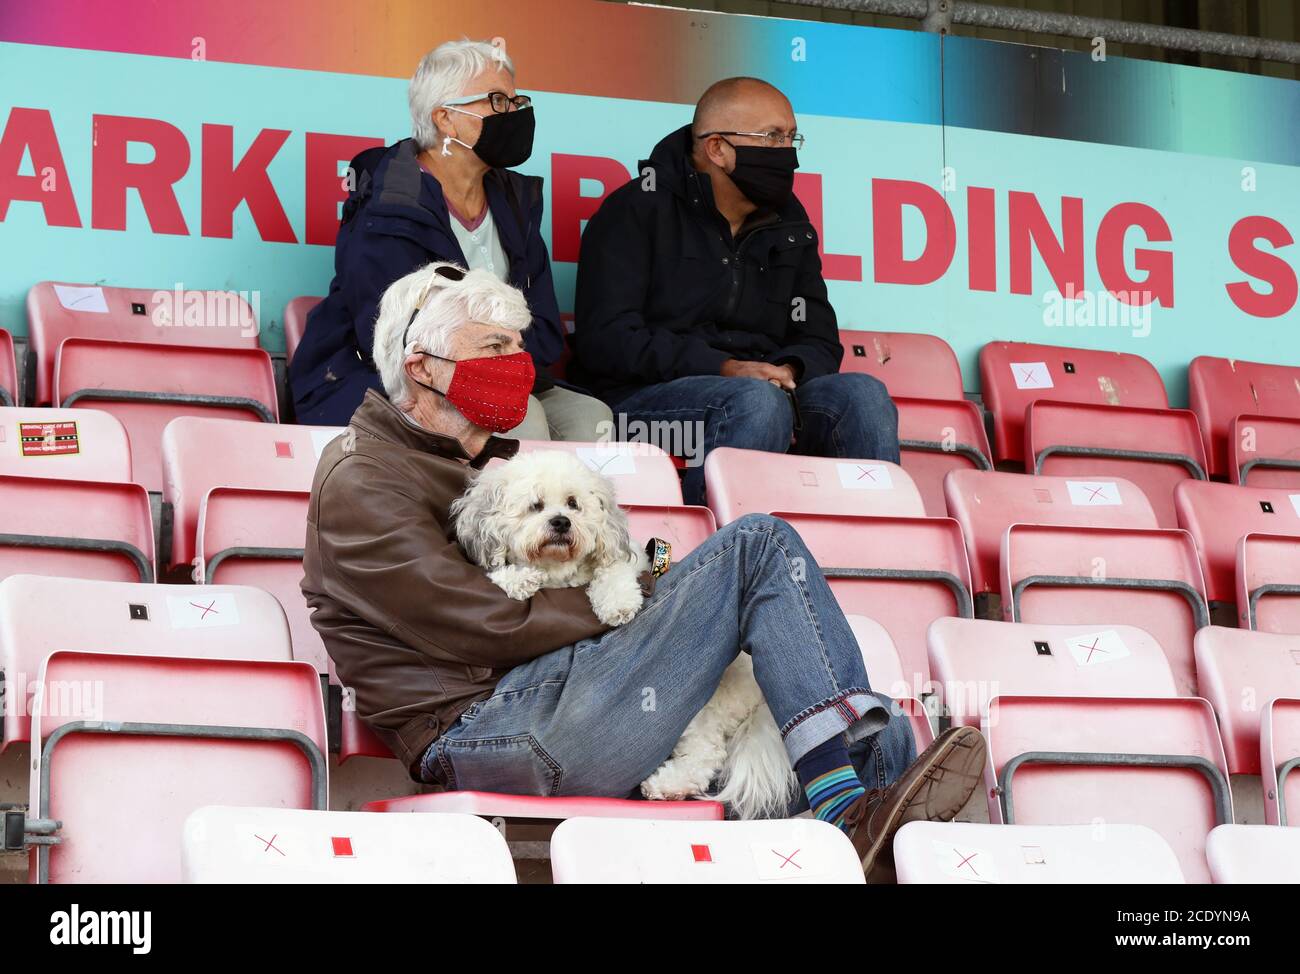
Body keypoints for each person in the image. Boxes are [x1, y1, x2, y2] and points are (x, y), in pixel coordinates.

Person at [301, 262, 985, 878]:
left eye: (518, 345)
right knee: (757, 547)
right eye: (495, 348)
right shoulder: (365, 476)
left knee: (888, 730)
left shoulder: (466, 467)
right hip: (490, 729)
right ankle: (846, 812)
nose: (520, 363)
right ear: (423, 367)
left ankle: (862, 817)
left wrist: (656, 570)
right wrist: (647, 591)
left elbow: (638, 567)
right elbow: (485, 621)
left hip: (561, 702)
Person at [571, 77, 899, 504]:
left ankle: (874, 561)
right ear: (717, 148)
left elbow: (816, 335)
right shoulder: (635, 210)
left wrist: (790, 371)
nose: (789, 153)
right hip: (638, 410)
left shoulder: (790, 222)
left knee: (862, 395)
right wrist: (726, 368)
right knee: (754, 404)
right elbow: (607, 341)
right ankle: (697, 558)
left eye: (791, 136)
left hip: (768, 393)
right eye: (773, 137)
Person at [289, 38, 610, 440]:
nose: (512, 114)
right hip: (389, 380)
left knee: (590, 416)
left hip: (505, 377)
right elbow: (389, 335)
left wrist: (497, 360)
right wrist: (490, 357)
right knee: (518, 415)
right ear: (444, 118)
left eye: (516, 102)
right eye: (496, 101)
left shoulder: (515, 203)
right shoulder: (390, 201)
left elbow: (544, 332)